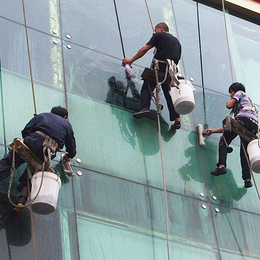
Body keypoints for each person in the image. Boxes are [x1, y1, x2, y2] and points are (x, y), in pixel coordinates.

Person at [0, 106, 77, 204]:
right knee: (33, 170)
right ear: (65, 116)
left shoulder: (43, 115)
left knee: (10, 162)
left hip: (32, 141)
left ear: (52, 112)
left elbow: (26, 130)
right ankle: (22, 200)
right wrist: (68, 157)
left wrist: (30, 139)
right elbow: (71, 148)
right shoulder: (67, 125)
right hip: (47, 151)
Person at [122, 22, 182, 129]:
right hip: (171, 72)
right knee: (169, 95)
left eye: (156, 30)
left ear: (161, 29)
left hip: (159, 68)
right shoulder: (177, 42)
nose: (155, 32)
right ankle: (177, 119)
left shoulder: (159, 35)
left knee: (147, 86)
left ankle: (144, 107)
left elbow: (145, 49)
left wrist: (130, 60)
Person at [203, 82, 258, 188]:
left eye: (231, 92)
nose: (230, 95)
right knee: (245, 153)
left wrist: (229, 102)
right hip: (252, 126)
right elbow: (229, 128)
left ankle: (221, 166)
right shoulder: (248, 105)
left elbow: (229, 105)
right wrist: (212, 131)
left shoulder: (240, 93)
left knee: (224, 141)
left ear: (235, 91)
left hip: (243, 120)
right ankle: (247, 179)